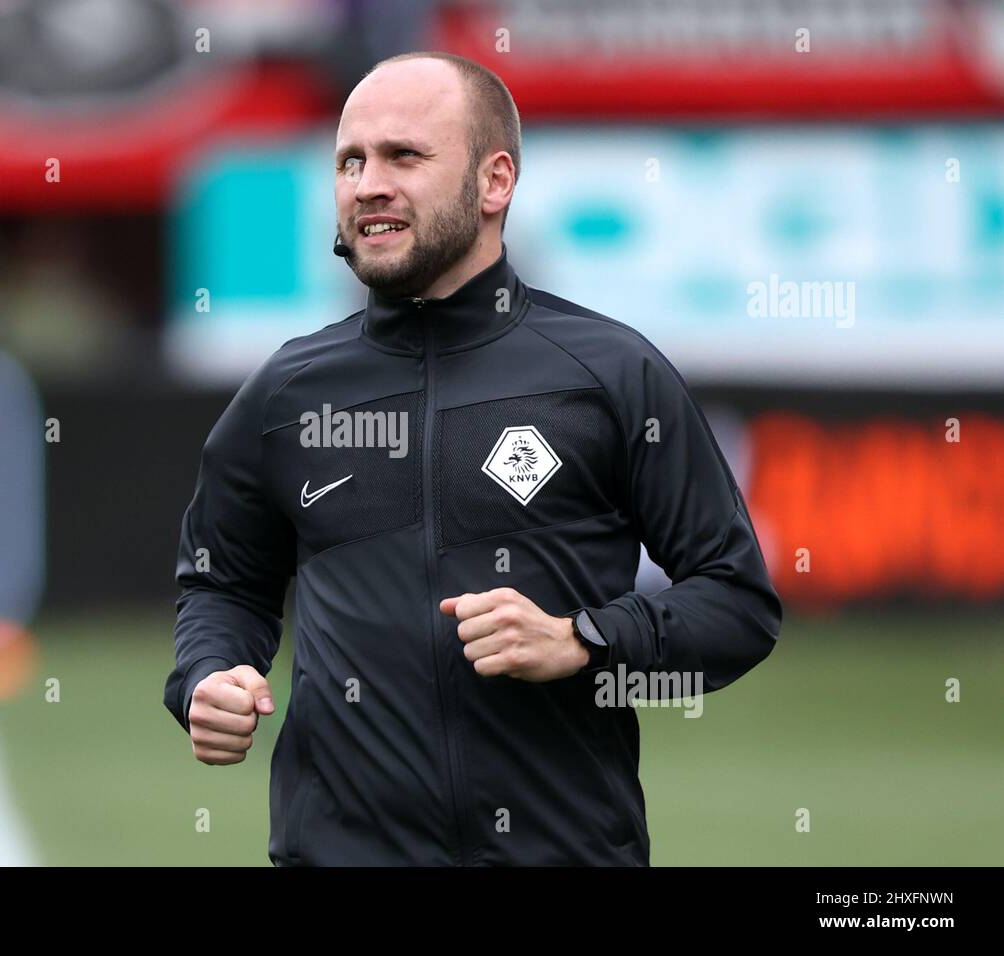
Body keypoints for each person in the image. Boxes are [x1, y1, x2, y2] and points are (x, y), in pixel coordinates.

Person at [163, 51, 781, 865]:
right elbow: (223, 581)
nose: (366, 184)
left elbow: (738, 607)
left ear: (495, 183)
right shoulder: (286, 393)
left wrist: (588, 640)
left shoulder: (611, 373)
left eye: (404, 157)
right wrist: (208, 675)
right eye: (350, 160)